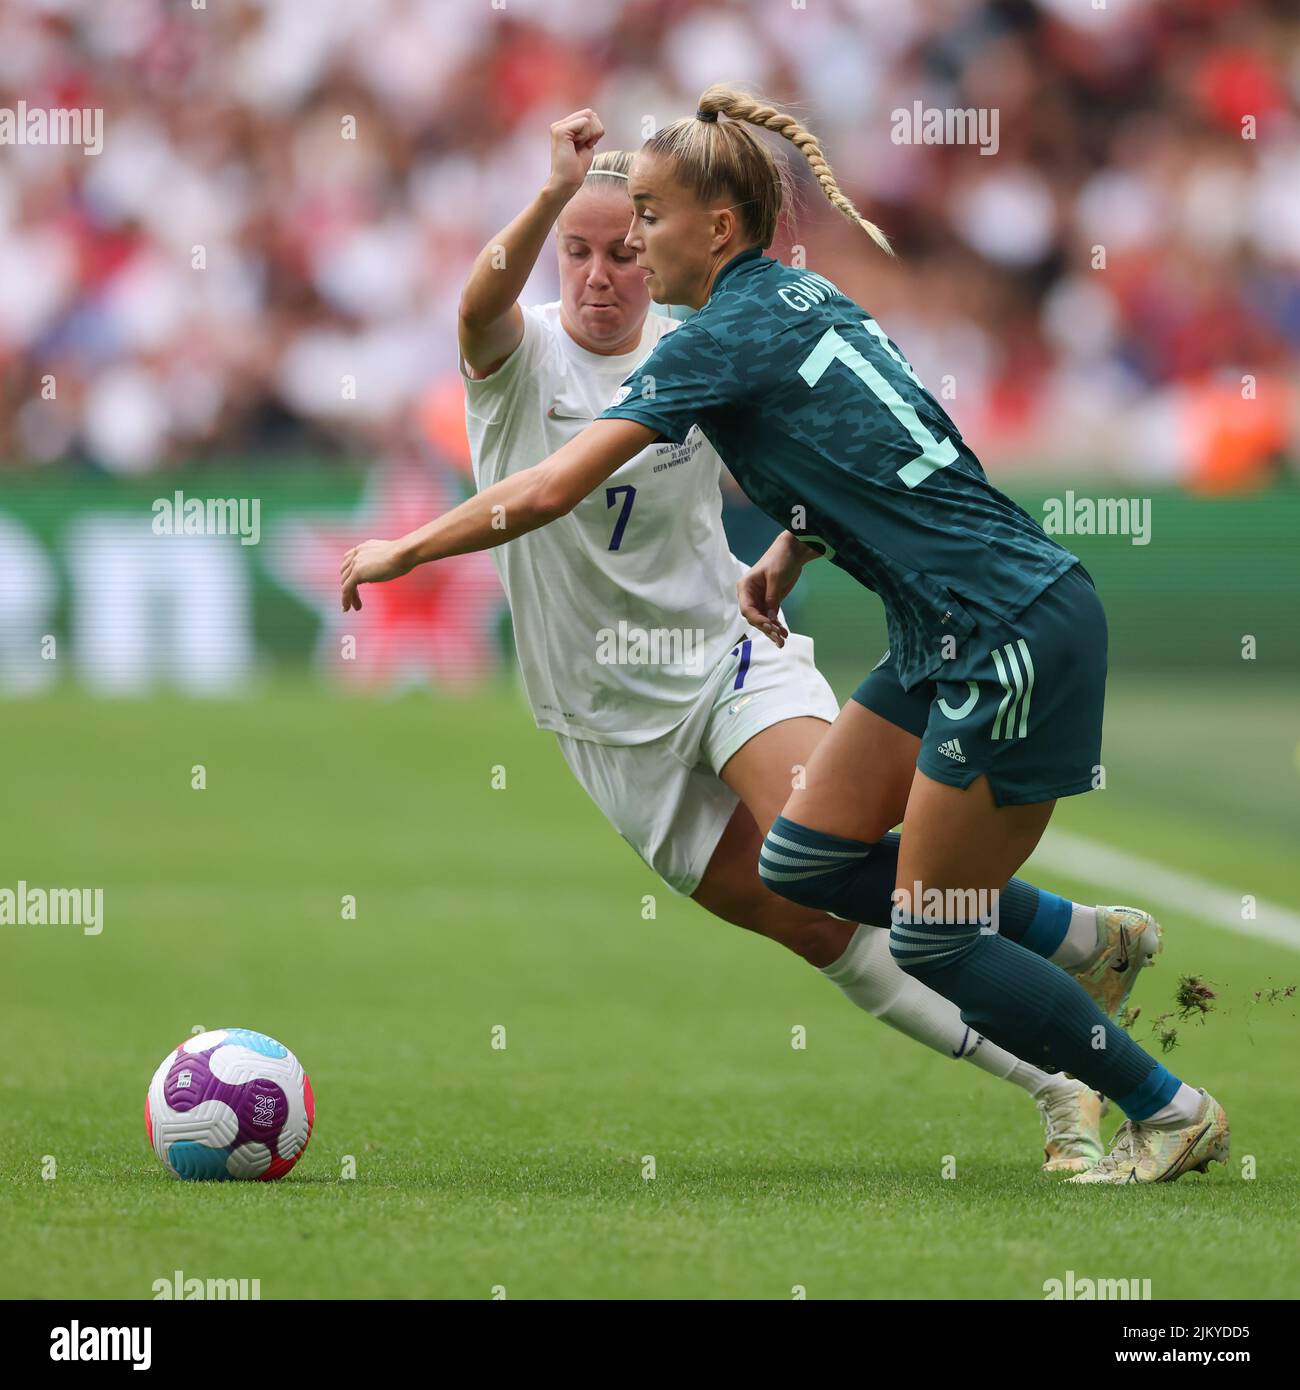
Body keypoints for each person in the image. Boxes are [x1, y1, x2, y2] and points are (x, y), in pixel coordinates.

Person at [342, 95, 1225, 1184]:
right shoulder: (791, 298)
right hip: (871, 644)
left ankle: (1150, 1099)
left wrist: (404, 548)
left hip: (978, 627)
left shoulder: (702, 342)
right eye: (597, 242)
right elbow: (875, 434)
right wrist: (794, 549)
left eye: (645, 227)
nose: (625, 256)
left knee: (928, 928)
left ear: (714, 228)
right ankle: (1083, 942)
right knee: (806, 872)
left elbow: (553, 487)